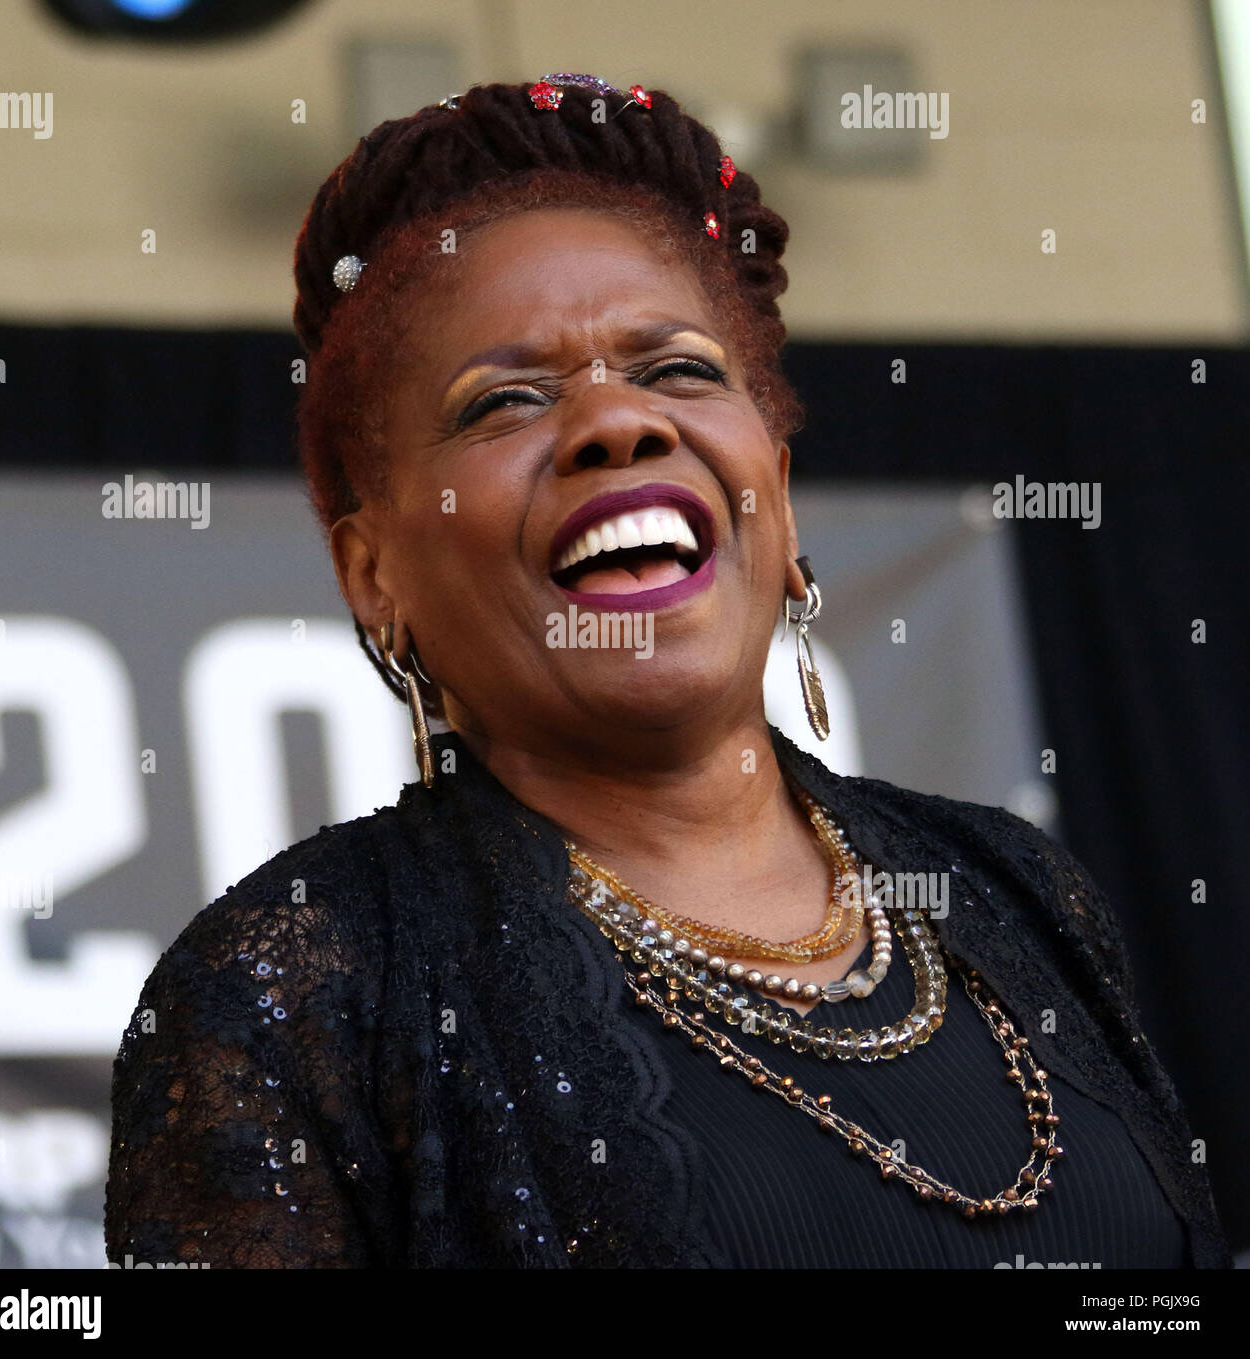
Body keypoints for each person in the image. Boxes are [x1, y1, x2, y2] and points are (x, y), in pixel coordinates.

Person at [103, 75, 1229, 1268]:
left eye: (680, 370)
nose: (617, 423)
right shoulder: (300, 992)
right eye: (507, 400)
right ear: (372, 570)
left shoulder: (1014, 892)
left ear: (780, 502)